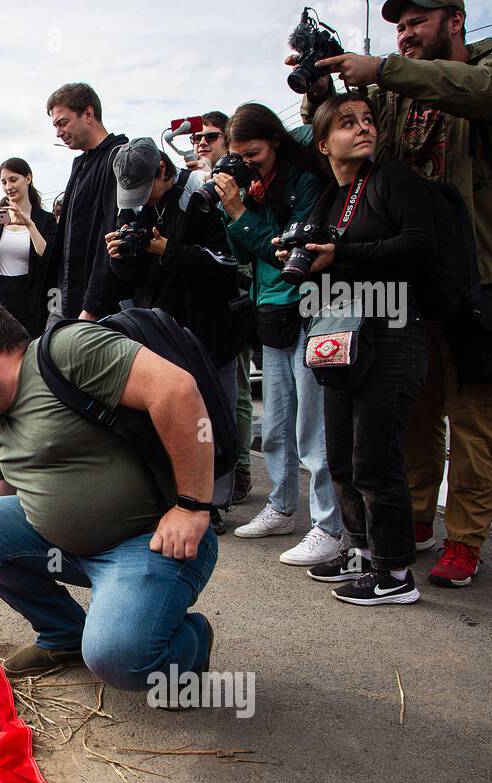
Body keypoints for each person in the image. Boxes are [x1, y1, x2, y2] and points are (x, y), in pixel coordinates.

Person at [299, 0, 492, 587]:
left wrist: (381, 69)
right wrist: (321, 83)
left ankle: (465, 538)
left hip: (482, 277)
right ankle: (415, 520)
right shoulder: (393, 98)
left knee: (476, 417)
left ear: (453, 20)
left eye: (415, 23)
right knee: (415, 414)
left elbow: (487, 93)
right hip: (413, 283)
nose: (404, 35)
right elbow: (340, 130)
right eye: (398, 27)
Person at [0, 298, 217, 686]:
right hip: (74, 554)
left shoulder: (64, 351)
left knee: (117, 657)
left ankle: (189, 644)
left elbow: (177, 389)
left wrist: (192, 507)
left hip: (153, 542)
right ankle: (63, 634)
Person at [283, 93, 431, 604]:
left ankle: (395, 575)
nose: (363, 128)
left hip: (391, 330)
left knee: (375, 457)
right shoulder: (329, 197)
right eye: (347, 123)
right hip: (341, 335)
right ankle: (364, 554)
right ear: (323, 142)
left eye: (367, 120)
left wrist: (341, 253)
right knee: (341, 456)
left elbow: (418, 245)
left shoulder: (391, 180)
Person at [218, 103, 345, 568]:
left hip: (309, 305)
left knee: (313, 427)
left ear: (275, 141)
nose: (247, 163)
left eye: (254, 152)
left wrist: (242, 211)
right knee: (275, 424)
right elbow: (241, 252)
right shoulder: (254, 185)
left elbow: (286, 249)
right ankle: (282, 505)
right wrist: (234, 207)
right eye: (239, 155)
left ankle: (328, 525)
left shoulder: (305, 180)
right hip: (269, 308)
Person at [105, 136, 240, 532]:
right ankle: (171, 493)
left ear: (163, 170)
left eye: (146, 191)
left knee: (210, 417)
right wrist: (120, 258)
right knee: (165, 416)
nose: (140, 202)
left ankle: (211, 502)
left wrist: (168, 250)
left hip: (208, 329)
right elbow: (127, 280)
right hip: (159, 331)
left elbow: (228, 262)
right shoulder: (132, 206)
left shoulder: (203, 195)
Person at [0, 157, 58, 478]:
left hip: (28, 308)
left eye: (13, 180)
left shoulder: (45, 220)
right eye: (3, 181)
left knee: (23, 378)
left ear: (28, 179)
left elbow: (50, 260)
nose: (8, 187)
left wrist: (29, 225)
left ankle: (20, 452)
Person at [189, 109, 258, 506]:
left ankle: (241, 467)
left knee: (238, 389)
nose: (202, 144)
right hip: (207, 301)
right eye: (198, 138)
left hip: (239, 293)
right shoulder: (199, 185)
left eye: (211, 137)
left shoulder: (241, 183)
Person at [43, 83, 129, 321]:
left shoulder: (118, 155)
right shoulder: (79, 163)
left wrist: (91, 308)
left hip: (99, 310)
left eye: (62, 122)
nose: (58, 133)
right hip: (66, 302)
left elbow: (111, 235)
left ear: (88, 114)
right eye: (55, 126)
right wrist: (54, 304)